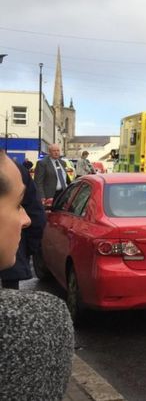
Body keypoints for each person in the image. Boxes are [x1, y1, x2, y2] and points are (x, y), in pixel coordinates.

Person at [0, 150, 74, 400]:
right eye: (16, 204)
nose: (24, 218)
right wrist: (32, 248)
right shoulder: (42, 319)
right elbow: (35, 205)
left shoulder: (58, 165)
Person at [0, 159, 45, 289]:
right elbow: (36, 215)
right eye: (16, 206)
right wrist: (28, 248)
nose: (26, 220)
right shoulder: (14, 170)